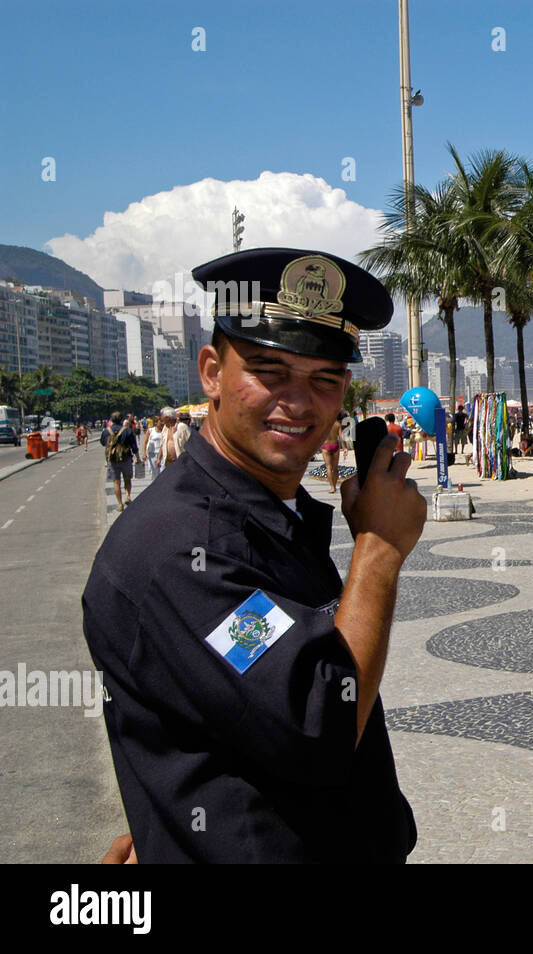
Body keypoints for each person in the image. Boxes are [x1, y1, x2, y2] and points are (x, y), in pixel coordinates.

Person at [83, 247, 423, 862]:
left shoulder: (264, 513)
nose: (298, 402)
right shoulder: (184, 550)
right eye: (269, 371)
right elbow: (320, 721)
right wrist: (378, 547)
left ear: (345, 389)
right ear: (211, 371)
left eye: (324, 379)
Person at [101, 411, 139, 510]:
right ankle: (128, 496)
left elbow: (103, 443)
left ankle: (119, 504)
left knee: (116, 482)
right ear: (122, 420)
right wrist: (138, 458)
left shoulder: (106, 431)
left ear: (111, 420)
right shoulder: (127, 430)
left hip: (113, 460)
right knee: (127, 479)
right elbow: (134, 446)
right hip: (126, 458)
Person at [322, 412, 344, 493]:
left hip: (326, 446)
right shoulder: (337, 424)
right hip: (335, 445)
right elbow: (341, 436)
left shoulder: (324, 424)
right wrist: (345, 447)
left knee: (328, 467)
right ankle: (334, 486)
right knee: (335, 468)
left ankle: (332, 487)